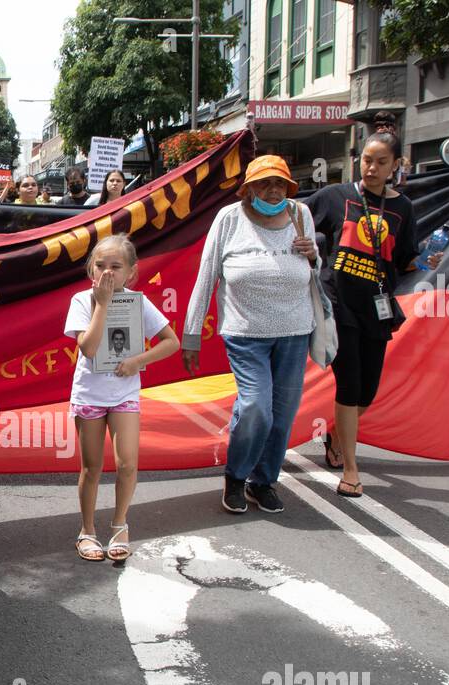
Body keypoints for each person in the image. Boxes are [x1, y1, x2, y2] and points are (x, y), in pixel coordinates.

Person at [182, 154, 318, 515]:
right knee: (257, 406)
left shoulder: (301, 215)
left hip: (295, 332)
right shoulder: (229, 219)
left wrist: (314, 256)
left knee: (283, 413)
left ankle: (264, 481)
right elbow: (206, 277)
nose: (272, 191)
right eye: (263, 184)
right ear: (248, 189)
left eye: (280, 185)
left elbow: (312, 269)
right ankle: (236, 476)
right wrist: (191, 336)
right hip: (246, 336)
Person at [306, 131, 426, 497]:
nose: (372, 168)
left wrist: (431, 261)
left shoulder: (402, 208)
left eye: (381, 162)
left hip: (377, 308)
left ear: (395, 166)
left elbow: (405, 261)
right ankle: (352, 471)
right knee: (350, 384)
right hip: (339, 304)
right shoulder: (336, 196)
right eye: (367, 160)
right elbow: (296, 218)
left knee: (367, 393)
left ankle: (335, 434)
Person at [67, 235, 179, 561]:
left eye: (116, 267)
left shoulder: (137, 302)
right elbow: (87, 348)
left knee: (127, 463)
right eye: (100, 265)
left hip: (124, 394)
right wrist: (101, 304)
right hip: (90, 393)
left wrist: (136, 362)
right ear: (91, 268)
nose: (107, 273)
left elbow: (169, 341)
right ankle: (87, 530)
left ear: (131, 271)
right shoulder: (81, 300)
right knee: (91, 468)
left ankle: (120, 524)